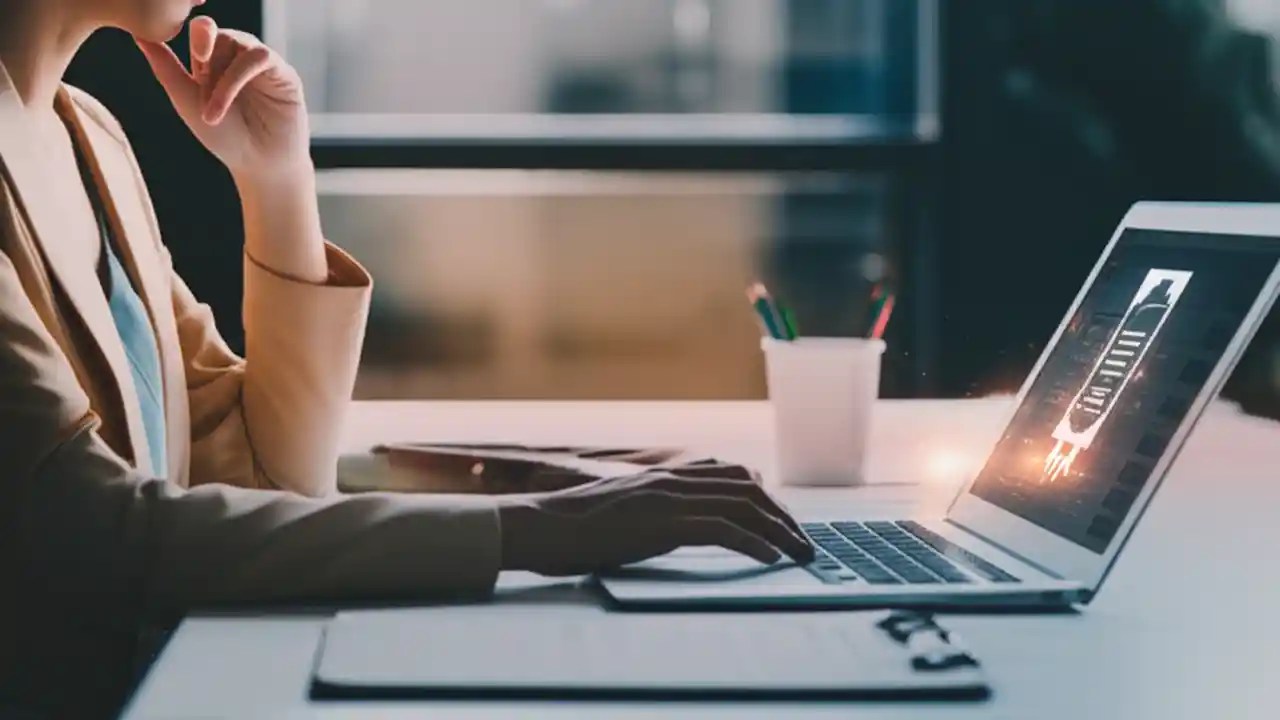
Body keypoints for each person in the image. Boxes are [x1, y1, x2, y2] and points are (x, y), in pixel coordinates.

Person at [0, 0, 812, 715]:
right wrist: (549, 527)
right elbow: (102, 537)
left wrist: (277, 181)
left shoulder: (89, 137)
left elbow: (263, 475)